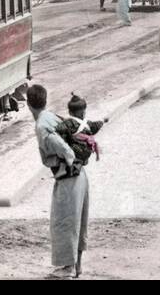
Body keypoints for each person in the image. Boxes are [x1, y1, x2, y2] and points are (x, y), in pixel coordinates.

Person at [28, 83, 89, 279]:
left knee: (64, 221)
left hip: (69, 176)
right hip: (80, 176)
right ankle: (76, 266)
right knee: (77, 221)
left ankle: (67, 269)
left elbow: (58, 143)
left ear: (29, 105)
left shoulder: (41, 125)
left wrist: (70, 158)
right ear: (45, 101)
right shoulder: (51, 115)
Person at [57, 93, 106, 164]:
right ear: (84, 112)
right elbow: (95, 126)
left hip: (75, 152)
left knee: (65, 137)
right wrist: (103, 121)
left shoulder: (69, 122)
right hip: (87, 151)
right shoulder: (87, 123)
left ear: (70, 112)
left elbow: (59, 129)